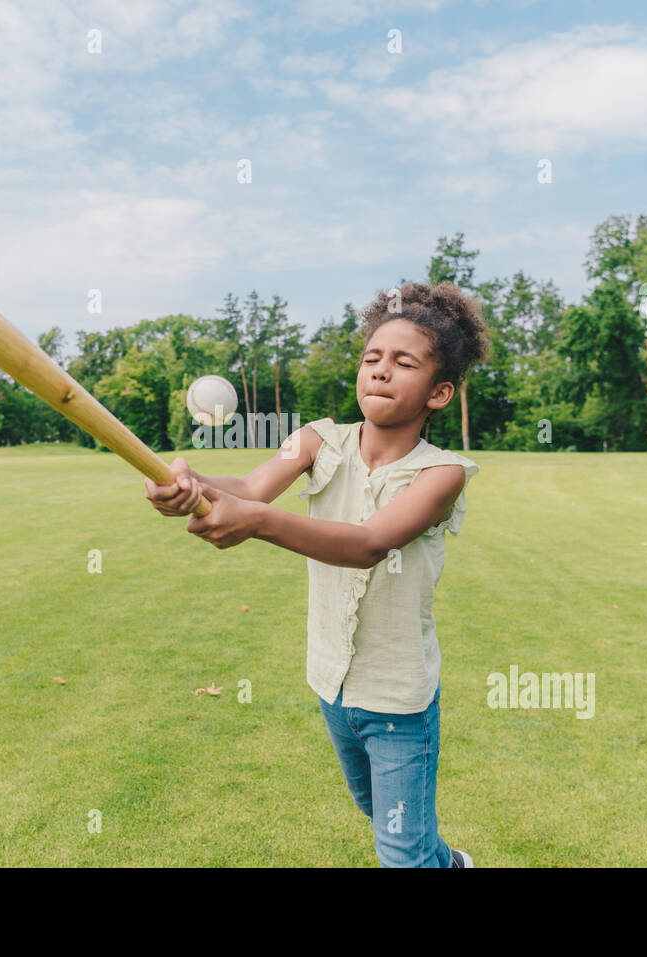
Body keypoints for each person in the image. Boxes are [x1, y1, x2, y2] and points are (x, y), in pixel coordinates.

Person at [145, 280, 491, 867]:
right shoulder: (315, 440)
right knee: (377, 810)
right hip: (331, 681)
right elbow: (251, 488)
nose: (379, 371)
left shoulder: (442, 474)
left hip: (398, 698)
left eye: (403, 362)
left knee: (400, 852)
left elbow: (368, 544)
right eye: (371, 358)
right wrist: (191, 485)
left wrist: (255, 522)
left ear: (439, 393)